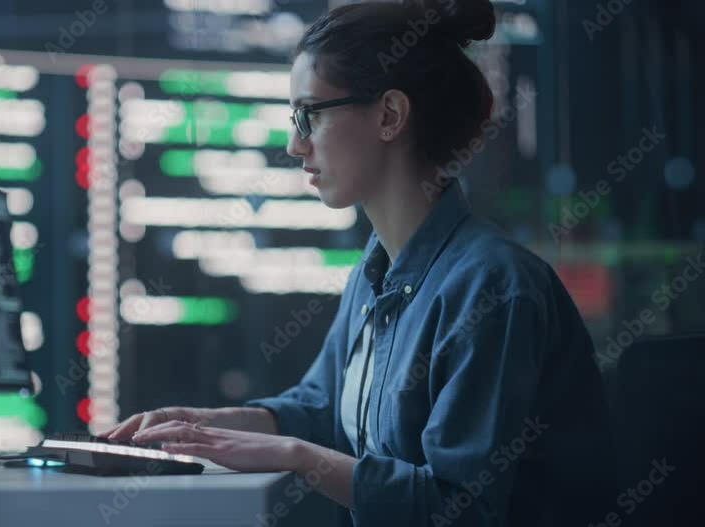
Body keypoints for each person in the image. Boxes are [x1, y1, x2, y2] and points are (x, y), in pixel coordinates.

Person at [104, 1, 618, 525]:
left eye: (311, 115)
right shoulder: (376, 271)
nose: (294, 143)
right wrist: (200, 425)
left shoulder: (494, 288)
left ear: (390, 115)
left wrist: (295, 457)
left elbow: (458, 508)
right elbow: (326, 409)